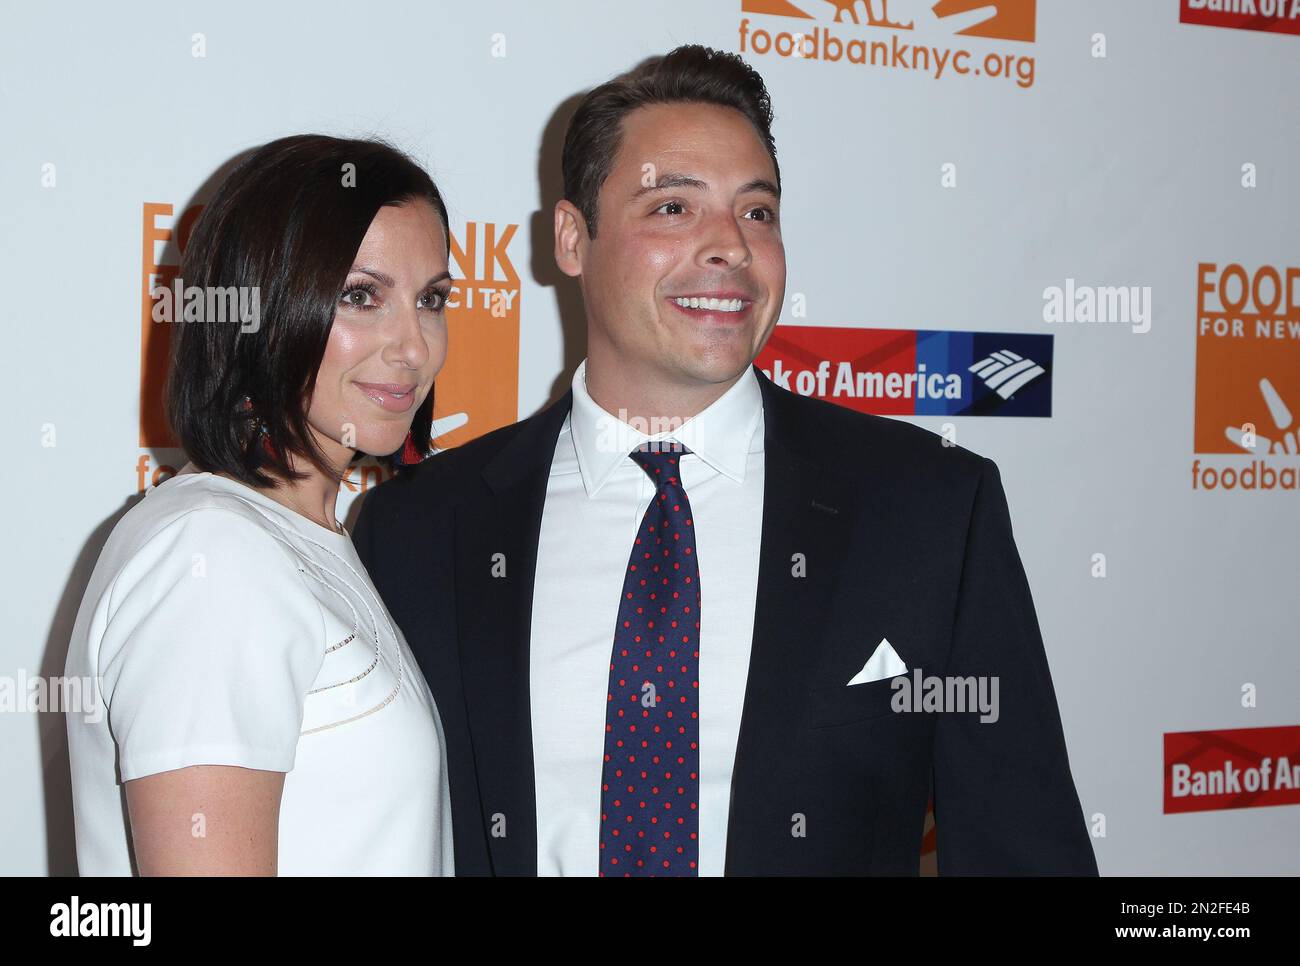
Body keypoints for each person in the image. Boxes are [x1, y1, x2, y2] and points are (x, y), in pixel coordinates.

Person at [354, 45, 1098, 876]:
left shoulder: (929, 508)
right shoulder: (421, 525)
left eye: (757, 213)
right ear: (571, 238)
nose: (731, 249)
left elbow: (1025, 849)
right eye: (673, 208)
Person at [65, 134, 455, 875]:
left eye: (431, 299)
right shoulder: (213, 555)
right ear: (260, 309)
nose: (415, 346)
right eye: (360, 296)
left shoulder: (298, 541)